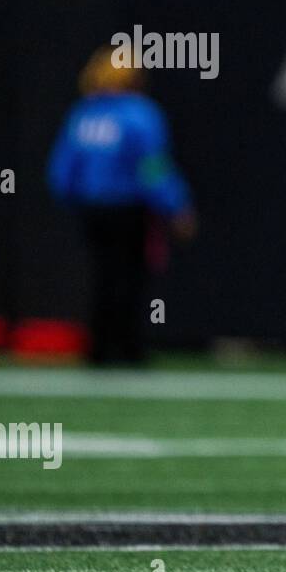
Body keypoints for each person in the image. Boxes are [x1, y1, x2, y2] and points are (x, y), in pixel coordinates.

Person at [47, 47, 195, 365]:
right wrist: (175, 205)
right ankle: (128, 348)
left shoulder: (84, 114)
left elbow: (62, 169)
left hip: (93, 209)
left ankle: (99, 349)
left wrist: (72, 198)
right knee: (130, 277)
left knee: (103, 275)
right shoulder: (140, 114)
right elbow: (154, 167)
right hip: (129, 209)